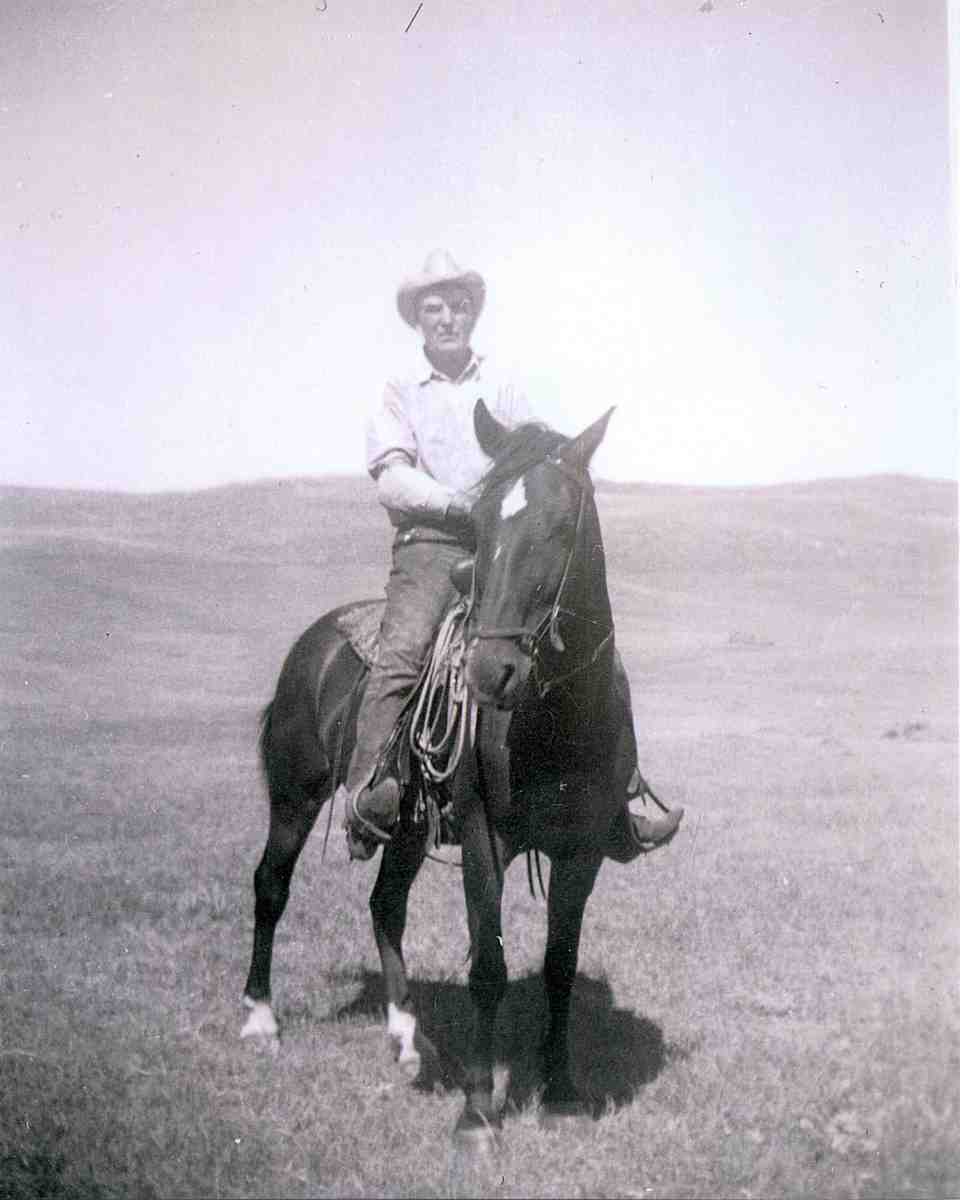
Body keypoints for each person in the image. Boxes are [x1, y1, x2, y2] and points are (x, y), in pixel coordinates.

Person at [339, 250, 682, 860]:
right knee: (405, 649)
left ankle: (618, 801)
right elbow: (390, 477)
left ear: (473, 313)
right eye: (434, 308)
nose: (448, 317)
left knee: (597, 648)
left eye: (459, 306)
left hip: (502, 541)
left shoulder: (501, 382)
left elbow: (534, 451)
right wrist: (459, 505)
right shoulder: (399, 390)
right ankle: (371, 791)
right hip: (430, 544)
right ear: (417, 319)